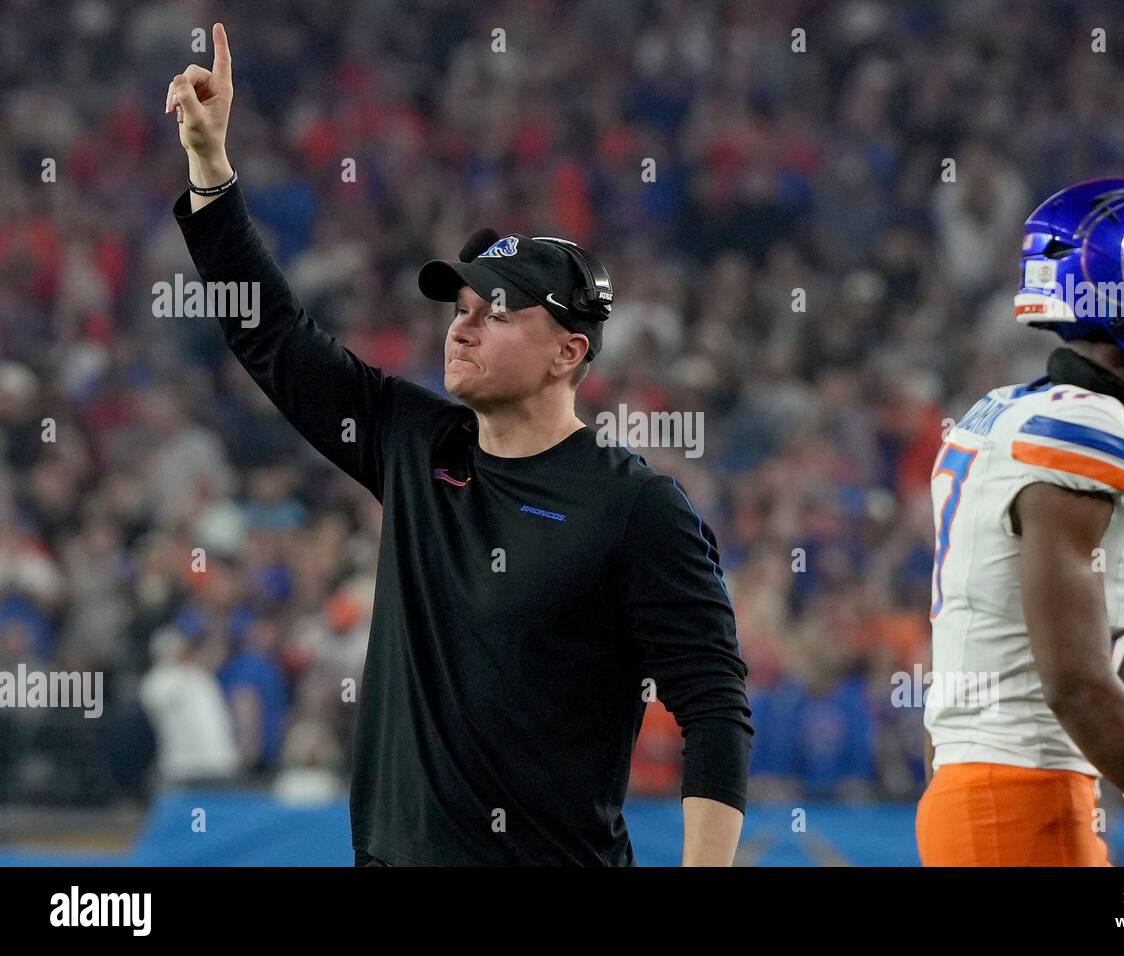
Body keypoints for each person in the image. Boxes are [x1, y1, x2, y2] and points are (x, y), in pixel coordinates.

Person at [165, 23, 752, 866]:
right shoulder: (413, 441)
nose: (463, 327)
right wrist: (211, 169)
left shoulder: (634, 508)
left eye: (496, 312)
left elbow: (714, 706)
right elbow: (273, 337)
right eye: (461, 308)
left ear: (568, 352)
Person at [916, 178, 1124, 866]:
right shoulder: (1087, 426)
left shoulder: (998, 412)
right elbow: (1076, 685)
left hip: (969, 790)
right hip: (1023, 796)